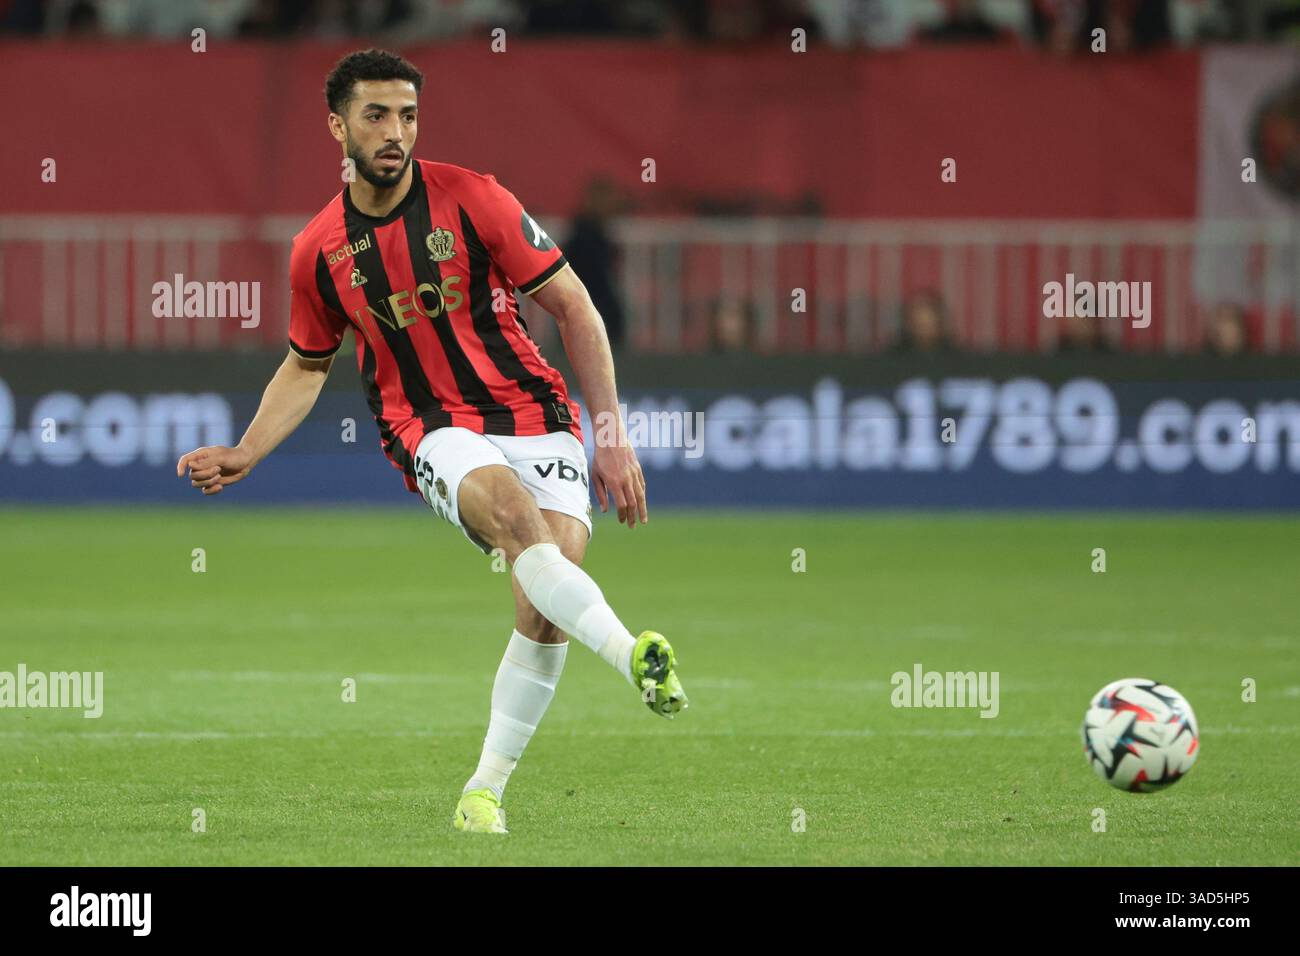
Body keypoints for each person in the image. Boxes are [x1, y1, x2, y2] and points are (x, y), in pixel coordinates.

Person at [175, 49, 687, 835]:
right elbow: (306, 366)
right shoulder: (319, 249)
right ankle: (634, 656)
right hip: (430, 429)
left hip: (536, 416)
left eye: (407, 115)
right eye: (376, 115)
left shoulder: (476, 199)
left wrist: (612, 437)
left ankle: (482, 792)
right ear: (336, 126)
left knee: (543, 607)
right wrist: (249, 448)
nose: (395, 132)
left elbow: (577, 310)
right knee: (516, 522)